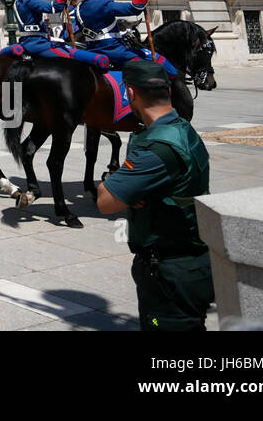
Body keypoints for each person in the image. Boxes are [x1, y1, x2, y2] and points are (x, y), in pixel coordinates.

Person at [97, 58, 214, 331]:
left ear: (131, 94)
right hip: (189, 263)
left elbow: (105, 202)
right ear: (169, 91)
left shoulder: (156, 148)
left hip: (169, 273)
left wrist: (116, 182)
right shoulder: (182, 129)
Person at [75, 0, 173, 73]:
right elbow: (135, 8)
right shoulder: (105, 4)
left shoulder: (78, 8)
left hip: (91, 50)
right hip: (113, 50)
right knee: (152, 62)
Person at [1, 0, 108, 68]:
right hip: (37, 43)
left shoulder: (17, 1)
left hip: (26, 41)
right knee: (71, 60)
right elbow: (55, 7)